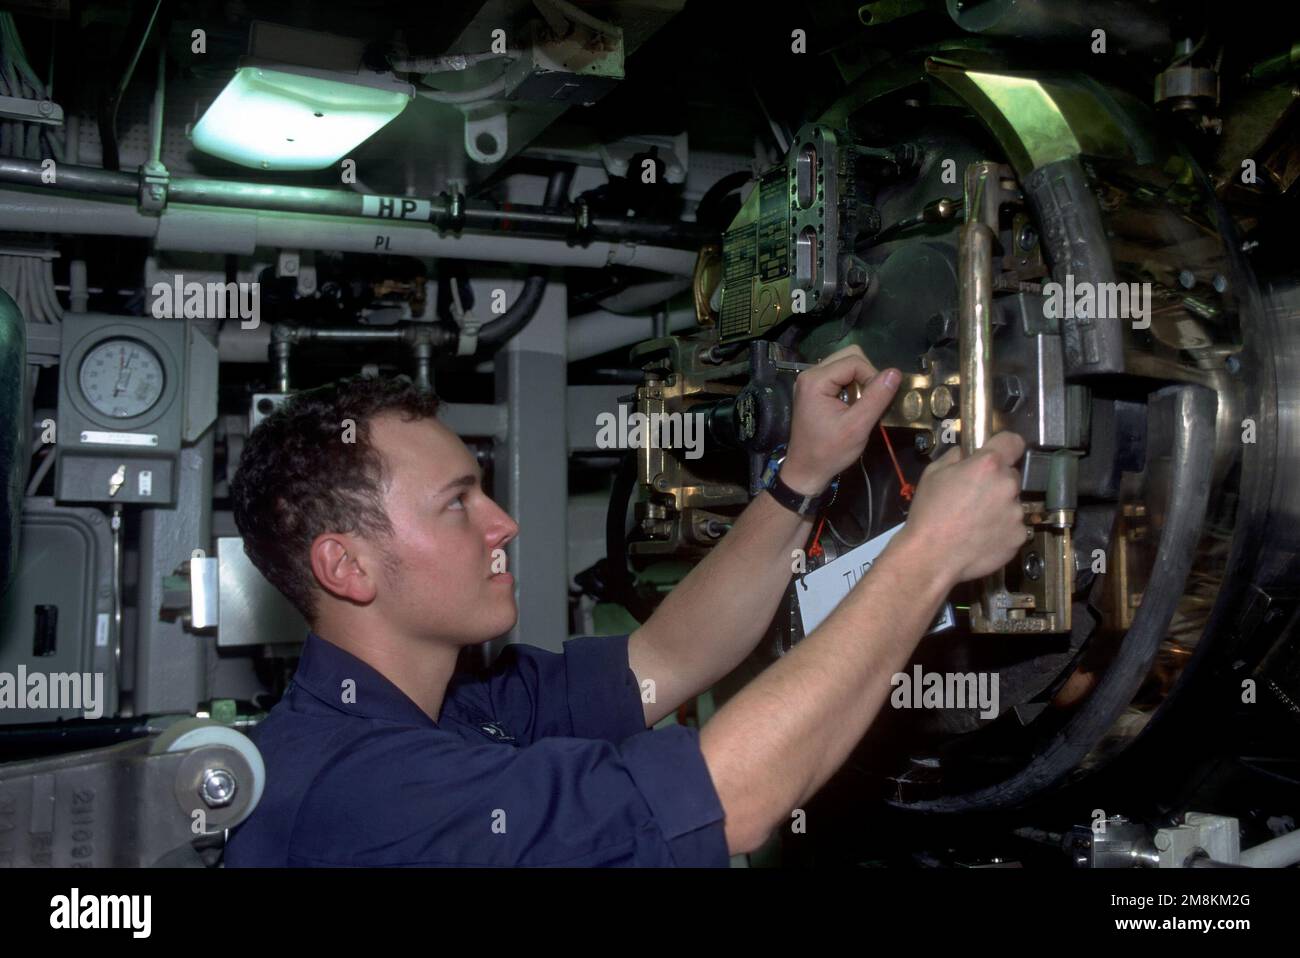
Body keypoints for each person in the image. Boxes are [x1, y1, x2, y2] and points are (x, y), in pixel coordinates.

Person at [224, 345, 1027, 866]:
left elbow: (665, 660)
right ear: (347, 566)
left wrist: (801, 479)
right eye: (458, 503)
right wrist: (927, 555)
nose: (504, 523)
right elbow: (730, 802)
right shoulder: (359, 794)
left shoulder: (459, 704)